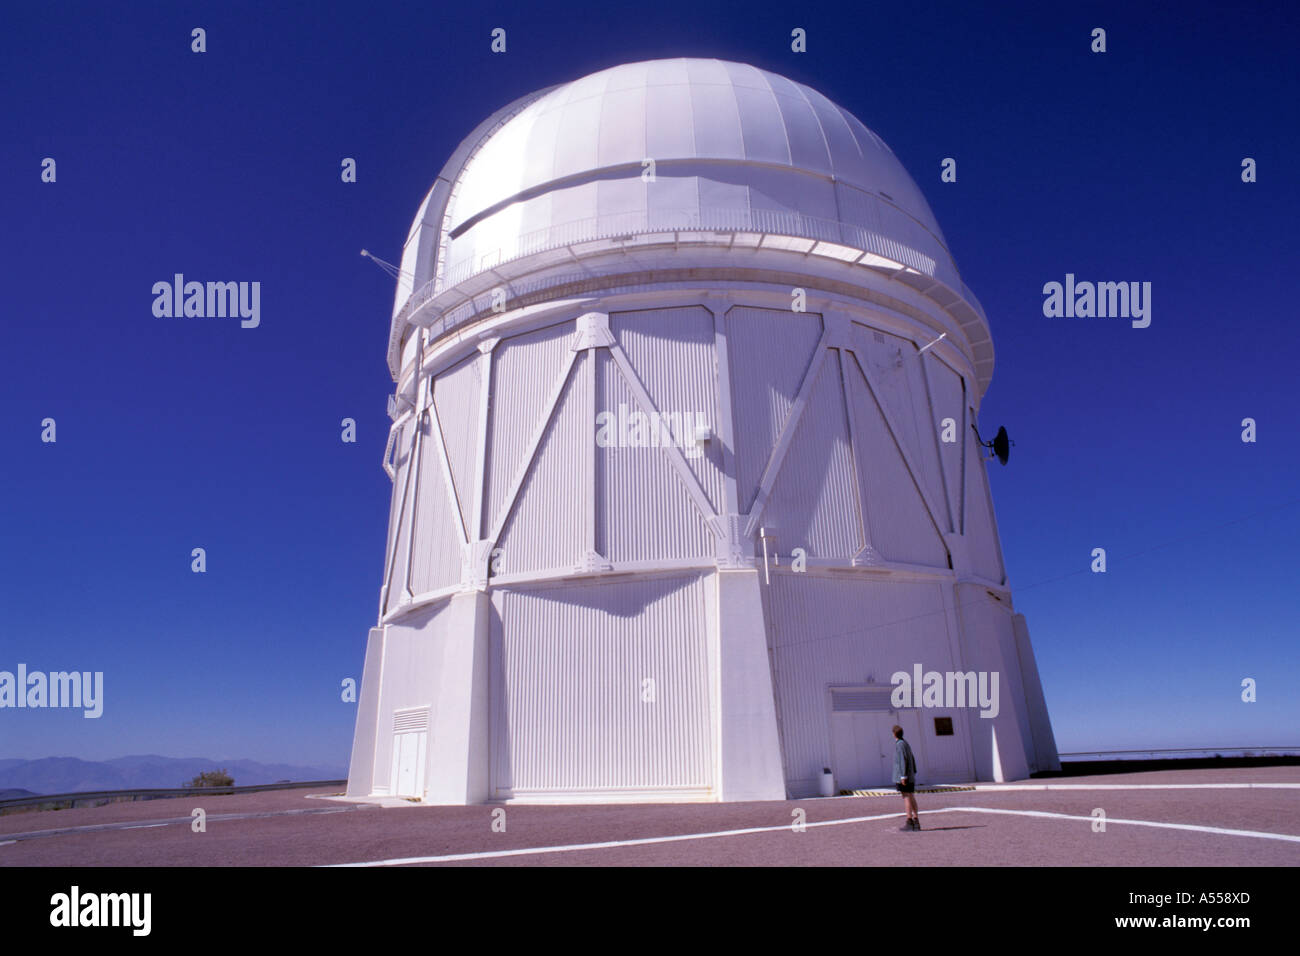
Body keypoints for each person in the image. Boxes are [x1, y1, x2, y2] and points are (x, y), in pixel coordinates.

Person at [892, 724, 920, 831]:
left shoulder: (899, 745)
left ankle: (909, 820)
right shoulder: (906, 743)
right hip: (910, 775)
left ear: (894, 734)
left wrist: (903, 776)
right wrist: (913, 771)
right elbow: (911, 758)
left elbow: (902, 760)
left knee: (906, 797)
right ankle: (916, 820)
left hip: (903, 776)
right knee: (911, 796)